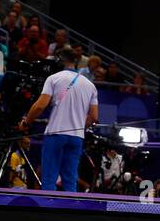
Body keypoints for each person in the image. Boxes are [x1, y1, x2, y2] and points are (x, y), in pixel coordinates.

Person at [18, 48, 99, 193]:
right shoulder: (90, 85)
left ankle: (48, 212)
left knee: (49, 179)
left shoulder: (54, 78)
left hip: (56, 134)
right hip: (77, 138)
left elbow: (40, 106)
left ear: (59, 60)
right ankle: (70, 214)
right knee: (70, 180)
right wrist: (79, 125)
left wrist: (26, 122)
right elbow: (94, 117)